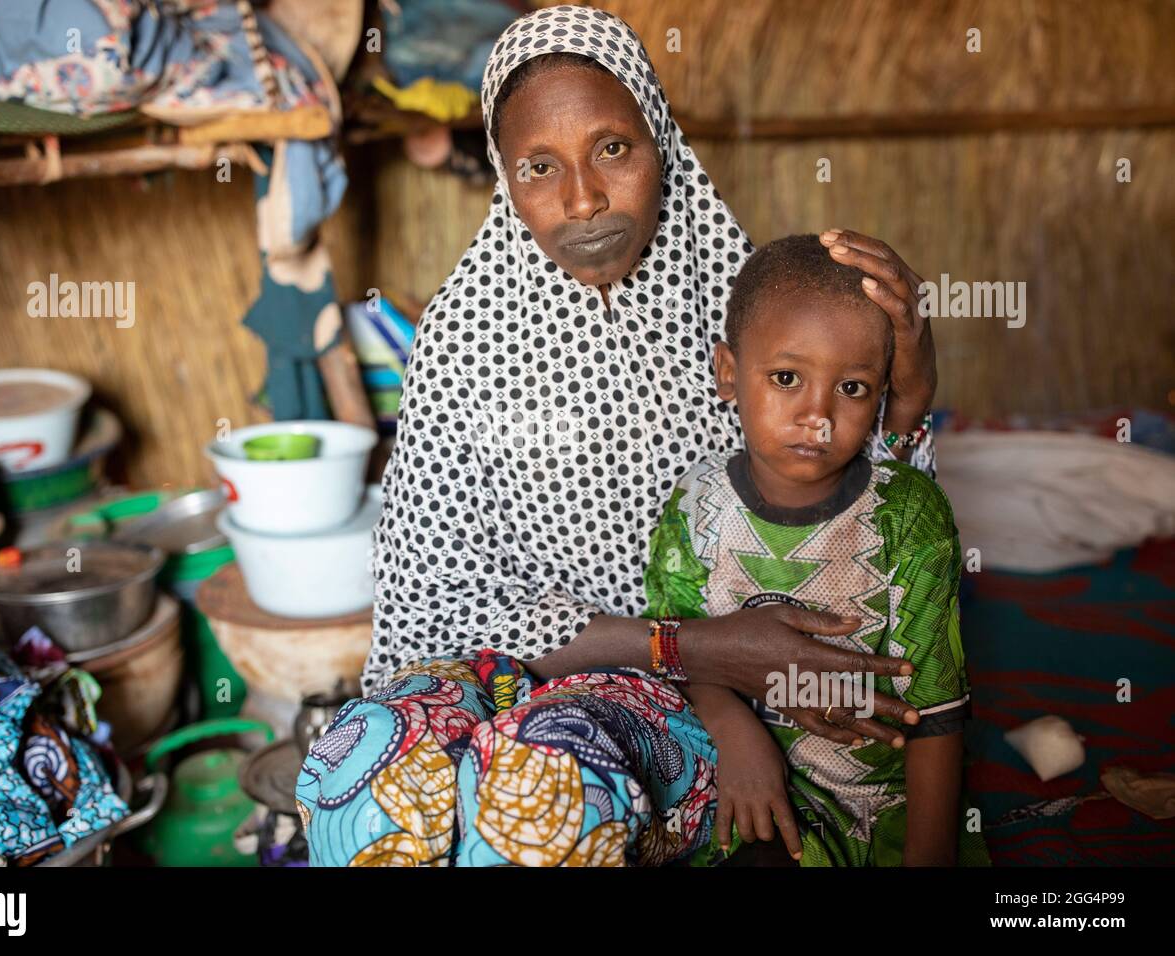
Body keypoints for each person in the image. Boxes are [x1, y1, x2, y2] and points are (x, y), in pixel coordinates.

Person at [296, 6, 942, 867]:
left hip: (694, 697)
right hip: (502, 666)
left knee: (541, 789)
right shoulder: (463, 337)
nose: (583, 198)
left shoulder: (751, 316)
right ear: (504, 177)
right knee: (360, 775)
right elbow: (436, 602)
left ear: (660, 141)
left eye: (612, 148)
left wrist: (910, 395)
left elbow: (859, 525)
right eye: (539, 167)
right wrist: (693, 641)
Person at [643, 235, 987, 866]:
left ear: (882, 389)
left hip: (873, 804)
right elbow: (678, 649)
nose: (818, 416)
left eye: (853, 388)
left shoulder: (905, 516)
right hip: (743, 791)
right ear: (727, 372)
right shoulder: (698, 506)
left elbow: (937, 708)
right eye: (785, 378)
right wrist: (737, 732)